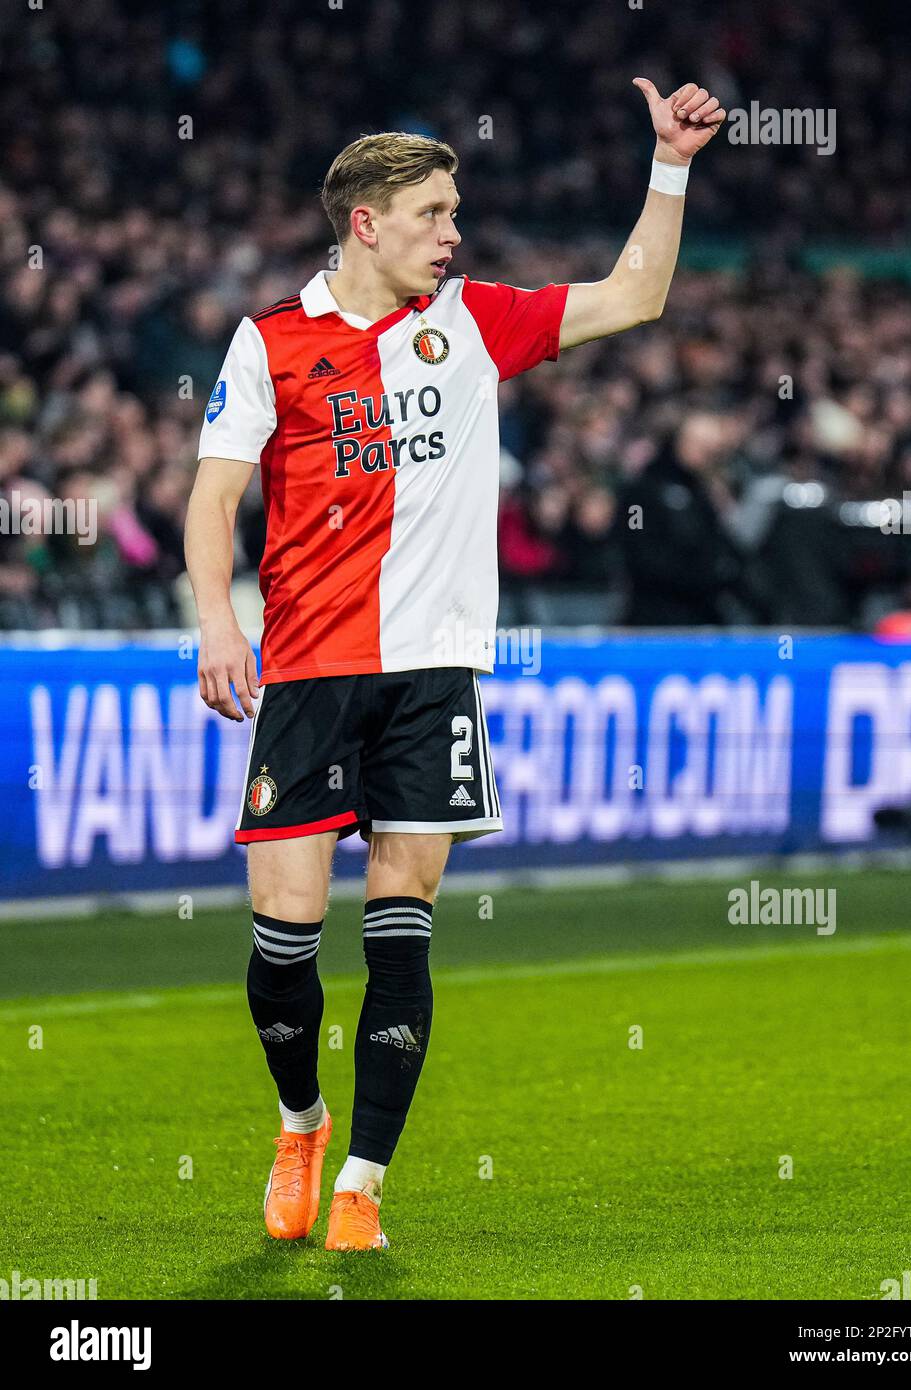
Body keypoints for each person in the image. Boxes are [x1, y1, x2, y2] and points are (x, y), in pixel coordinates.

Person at [184, 78, 725, 1252]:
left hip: (434, 673)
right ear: (366, 224)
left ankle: (362, 1184)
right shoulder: (269, 340)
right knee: (281, 944)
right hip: (310, 675)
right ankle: (300, 1120)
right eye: (434, 212)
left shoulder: (474, 320)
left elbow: (636, 294)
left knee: (400, 922)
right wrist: (219, 620)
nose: (454, 231)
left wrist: (670, 163)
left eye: (455, 210)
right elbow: (213, 492)